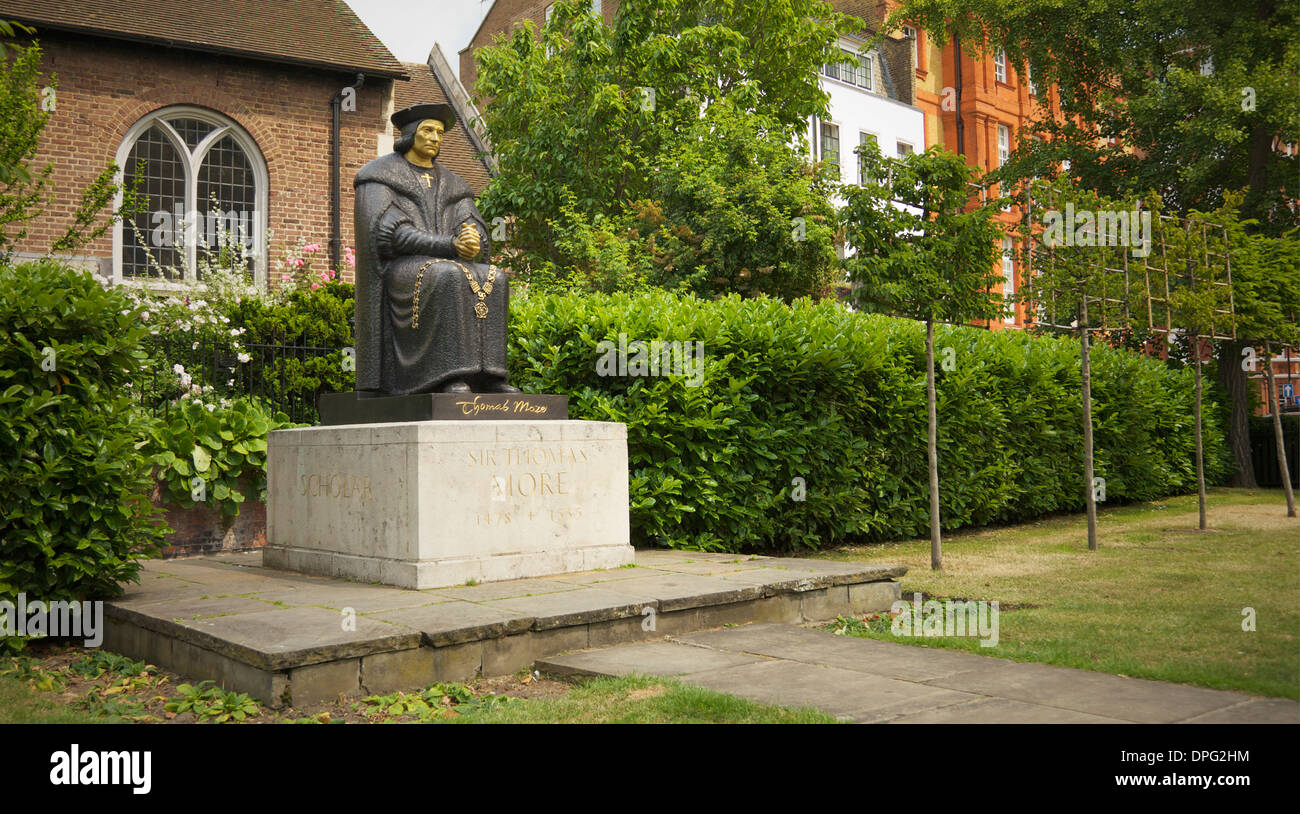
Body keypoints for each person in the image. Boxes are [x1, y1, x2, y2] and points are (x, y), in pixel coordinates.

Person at [353, 103, 519, 395]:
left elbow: (471, 222)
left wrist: (472, 238)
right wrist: (449, 245)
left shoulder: (454, 184)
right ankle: (446, 377)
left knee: (496, 276)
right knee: (447, 276)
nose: (435, 137)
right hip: (401, 267)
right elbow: (388, 233)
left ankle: (489, 377)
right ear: (409, 135)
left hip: (448, 261)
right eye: (427, 130)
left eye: (440, 133)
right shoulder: (379, 176)